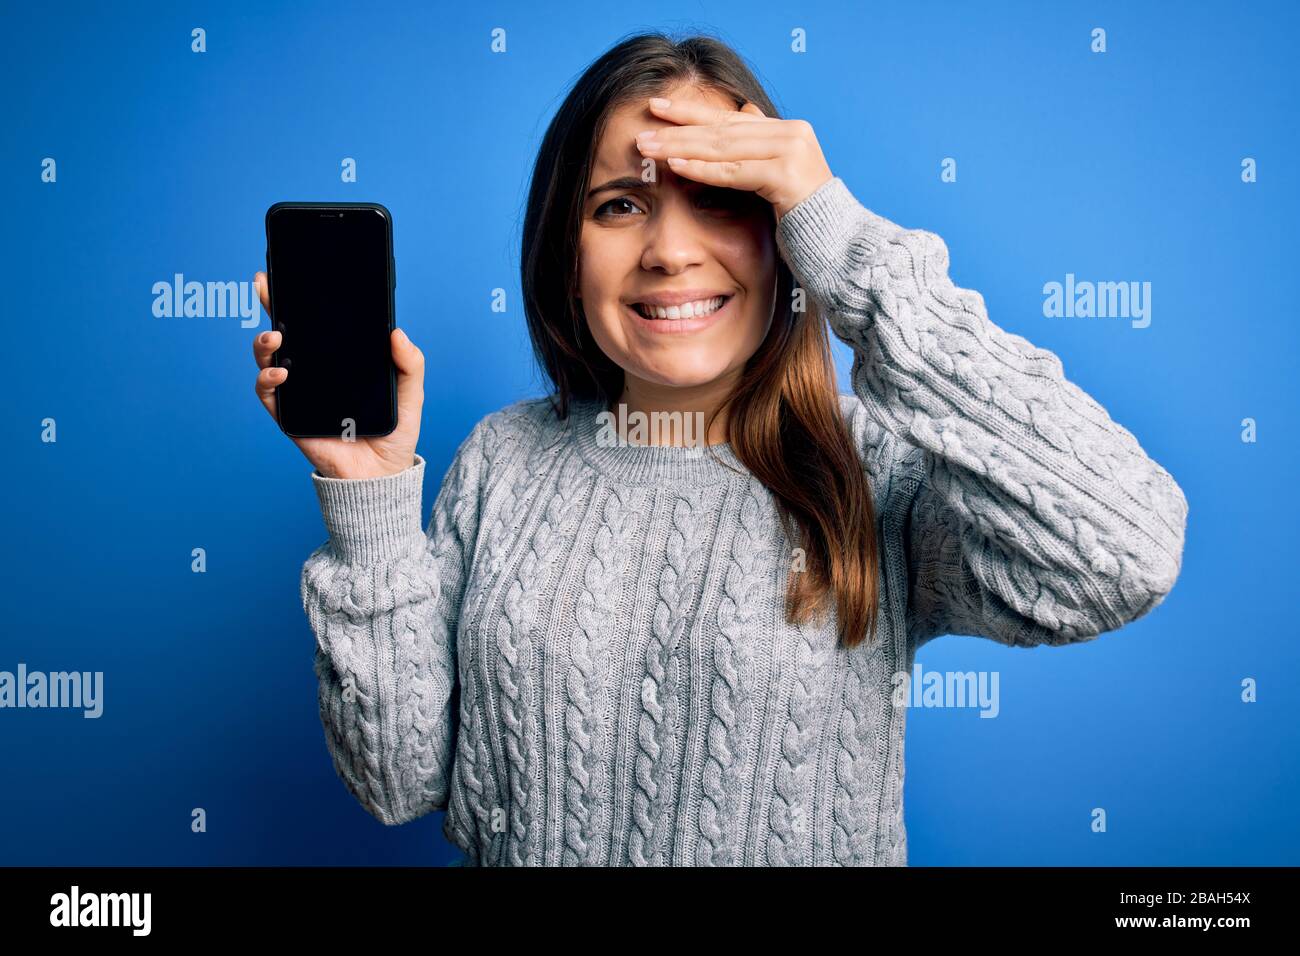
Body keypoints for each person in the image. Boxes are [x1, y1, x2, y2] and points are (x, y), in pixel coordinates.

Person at [250, 33, 1188, 866]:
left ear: (786, 240)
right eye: (620, 206)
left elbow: (1125, 550)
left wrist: (847, 241)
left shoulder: (875, 472)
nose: (669, 250)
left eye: (723, 201)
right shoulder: (502, 461)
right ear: (563, 255)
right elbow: (397, 781)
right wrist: (368, 509)